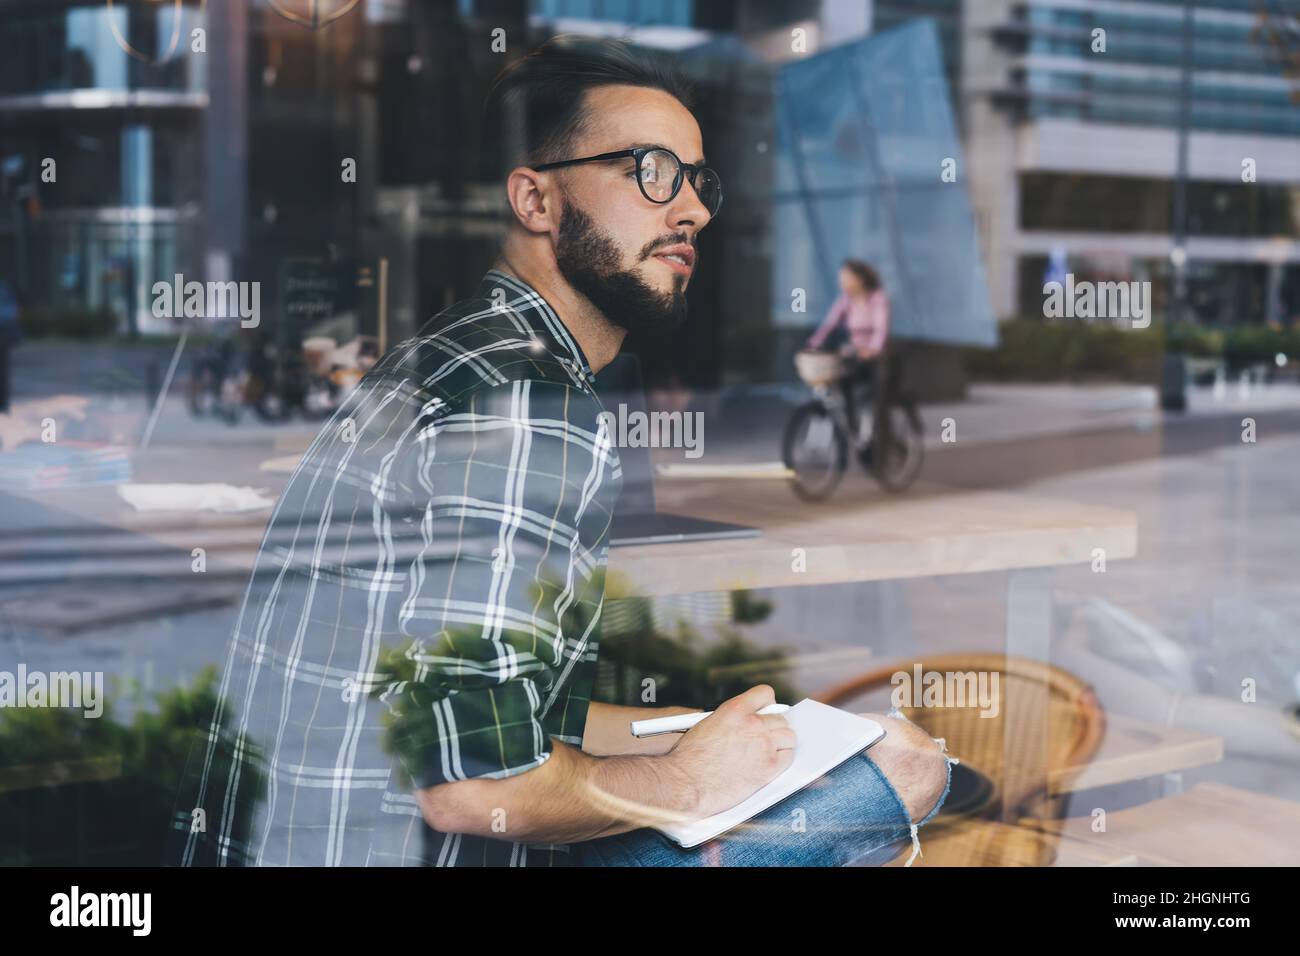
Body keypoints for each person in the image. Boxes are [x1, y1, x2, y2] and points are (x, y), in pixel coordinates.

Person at [169, 36, 949, 868]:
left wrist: (716, 736)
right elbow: (476, 786)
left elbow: (485, 711)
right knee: (906, 765)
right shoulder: (530, 405)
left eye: (696, 180)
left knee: (839, 747)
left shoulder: (461, 354)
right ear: (535, 201)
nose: (691, 210)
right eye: (651, 171)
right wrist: (687, 780)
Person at [804, 259, 891, 443]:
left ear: (859, 279)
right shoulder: (846, 300)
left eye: (846, 278)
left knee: (868, 395)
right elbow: (829, 324)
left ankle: (872, 433)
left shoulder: (877, 298)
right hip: (853, 354)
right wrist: (814, 344)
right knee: (841, 386)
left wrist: (873, 349)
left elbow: (881, 328)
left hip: (873, 357)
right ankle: (853, 429)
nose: (842, 282)